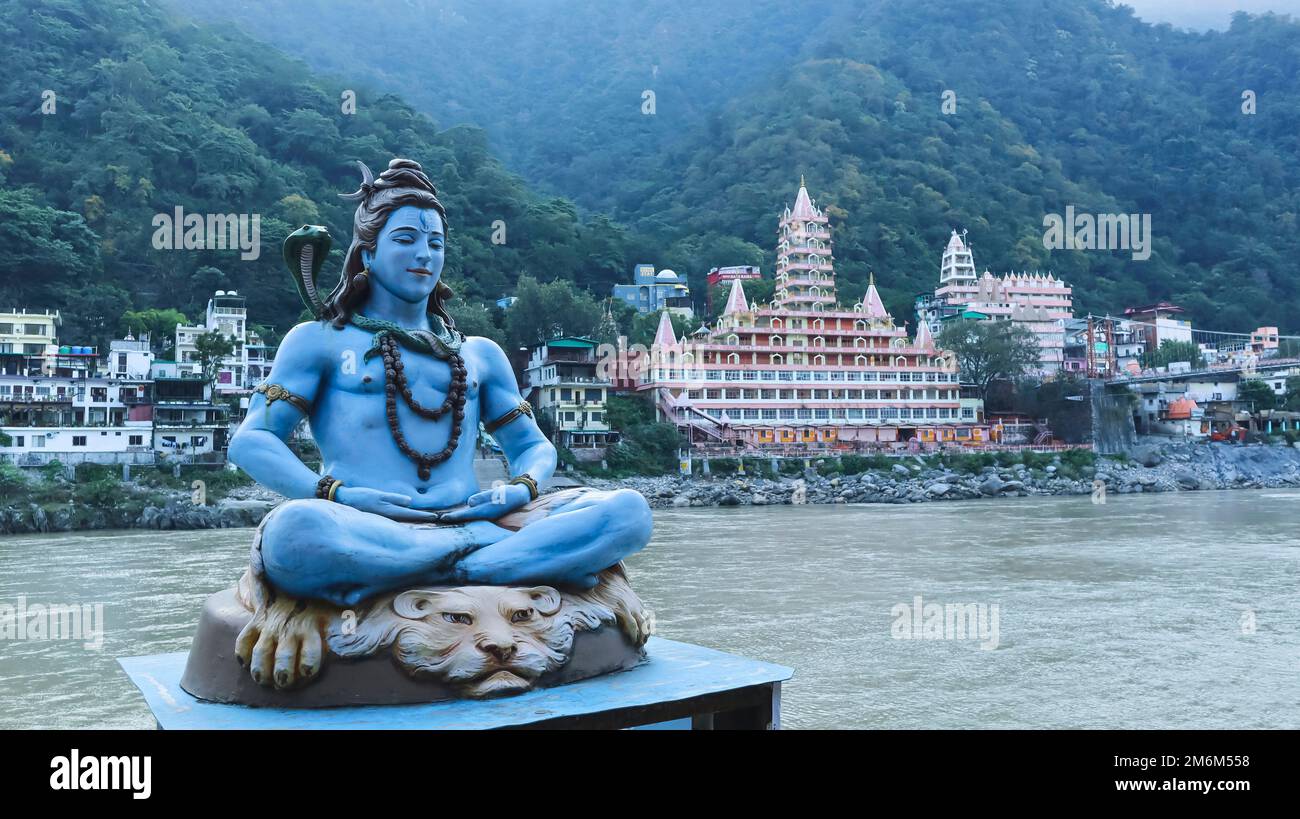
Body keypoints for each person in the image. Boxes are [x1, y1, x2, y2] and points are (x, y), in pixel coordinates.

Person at [228, 159, 651, 610]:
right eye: (405, 240)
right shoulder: (319, 341)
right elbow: (252, 440)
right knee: (292, 534)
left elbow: (534, 446)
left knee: (628, 513)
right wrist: (337, 494)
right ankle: (498, 564)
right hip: (365, 522)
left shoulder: (479, 353)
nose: (423, 255)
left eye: (435, 242)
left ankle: (445, 567)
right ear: (367, 254)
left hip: (472, 520)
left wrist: (522, 487)